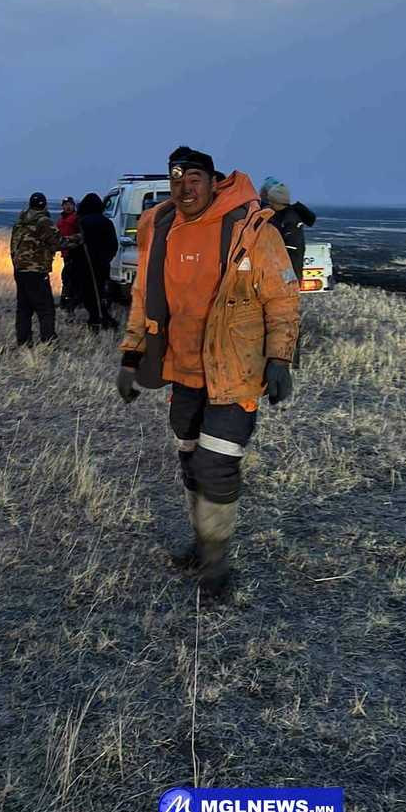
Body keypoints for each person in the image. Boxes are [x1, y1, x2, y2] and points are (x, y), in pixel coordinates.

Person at [115, 146, 300, 597]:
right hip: (182, 370)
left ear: (213, 181)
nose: (184, 188)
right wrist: (130, 355)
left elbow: (282, 298)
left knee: (217, 465)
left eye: (194, 178)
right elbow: (144, 296)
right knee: (191, 462)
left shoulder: (250, 227)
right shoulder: (159, 227)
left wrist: (279, 359)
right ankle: (202, 543)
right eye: (176, 179)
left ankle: (216, 562)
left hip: (234, 370)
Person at [260, 180, 317, 368]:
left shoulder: (288, 221)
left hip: (286, 276)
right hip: (289, 274)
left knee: (286, 317)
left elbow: (285, 252)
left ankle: (290, 359)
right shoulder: (290, 216)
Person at [10, 192, 67, 346]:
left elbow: (13, 247)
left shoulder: (20, 222)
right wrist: (78, 238)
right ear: (44, 204)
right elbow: (59, 242)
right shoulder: (43, 221)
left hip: (20, 270)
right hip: (37, 271)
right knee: (45, 308)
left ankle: (23, 341)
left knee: (24, 308)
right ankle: (49, 341)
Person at [71, 193, 119, 331]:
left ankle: (97, 319)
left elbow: (76, 244)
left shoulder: (81, 222)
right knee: (100, 292)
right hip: (102, 264)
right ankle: (102, 319)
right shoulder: (107, 222)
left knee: (88, 294)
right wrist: (106, 258)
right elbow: (113, 245)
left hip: (84, 264)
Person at [259, 179, 317, 282]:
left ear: (276, 202)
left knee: (288, 294)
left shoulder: (288, 220)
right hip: (288, 269)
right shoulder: (286, 215)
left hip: (289, 270)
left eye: (271, 201)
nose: (270, 204)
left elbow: (289, 250)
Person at [56, 197, 80, 312]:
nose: (67, 206)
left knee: (69, 277)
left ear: (74, 206)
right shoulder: (60, 220)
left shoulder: (77, 218)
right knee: (67, 277)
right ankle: (67, 300)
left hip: (75, 252)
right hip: (65, 253)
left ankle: (70, 301)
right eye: (65, 204)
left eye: (70, 204)